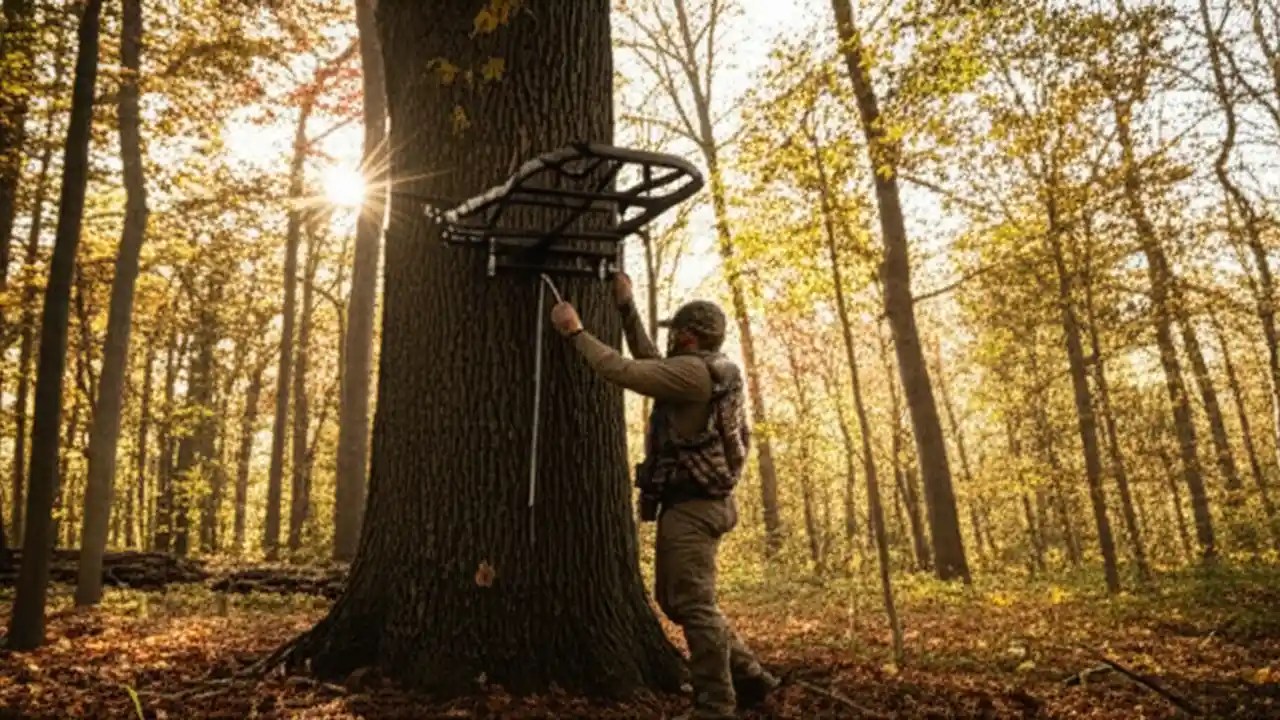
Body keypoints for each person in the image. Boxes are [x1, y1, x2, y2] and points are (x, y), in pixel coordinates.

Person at [549, 273, 780, 720]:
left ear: (690, 335)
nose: (672, 335)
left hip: (693, 508)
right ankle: (751, 675)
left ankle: (716, 704)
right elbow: (651, 361)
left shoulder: (693, 373)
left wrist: (575, 332)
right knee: (678, 602)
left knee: (692, 604)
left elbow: (624, 369)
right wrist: (626, 308)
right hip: (701, 505)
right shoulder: (707, 369)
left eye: (677, 329)